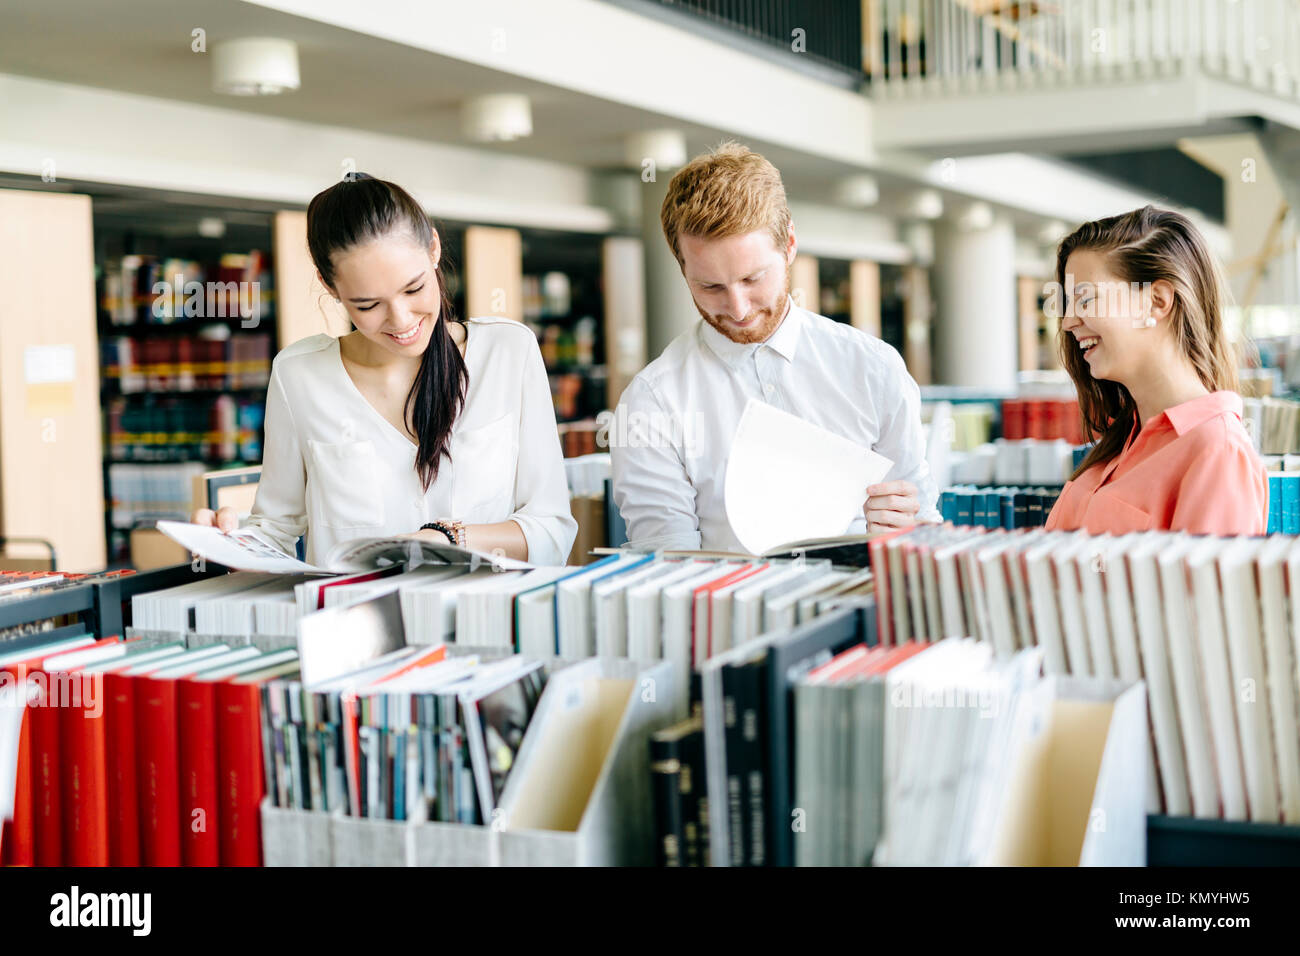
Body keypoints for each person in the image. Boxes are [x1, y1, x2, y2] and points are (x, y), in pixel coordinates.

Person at [192, 173, 577, 565]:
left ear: (433, 248)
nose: (401, 319)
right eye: (367, 305)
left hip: (486, 621)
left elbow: (551, 529)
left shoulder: (509, 352)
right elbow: (274, 530)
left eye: (414, 289)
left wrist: (449, 539)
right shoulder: (299, 376)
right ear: (331, 287)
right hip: (350, 620)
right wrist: (226, 543)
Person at [610, 142, 939, 552]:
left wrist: (906, 529)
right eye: (710, 286)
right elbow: (666, 561)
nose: (737, 307)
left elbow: (923, 520)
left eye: (753, 278)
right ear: (683, 270)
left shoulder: (874, 369)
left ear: (790, 245)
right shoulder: (652, 402)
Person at [1045, 205, 1266, 536]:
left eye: (1086, 300)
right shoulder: (1123, 440)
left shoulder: (1217, 451)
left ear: (1158, 301)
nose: (1068, 322)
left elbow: (1202, 588)